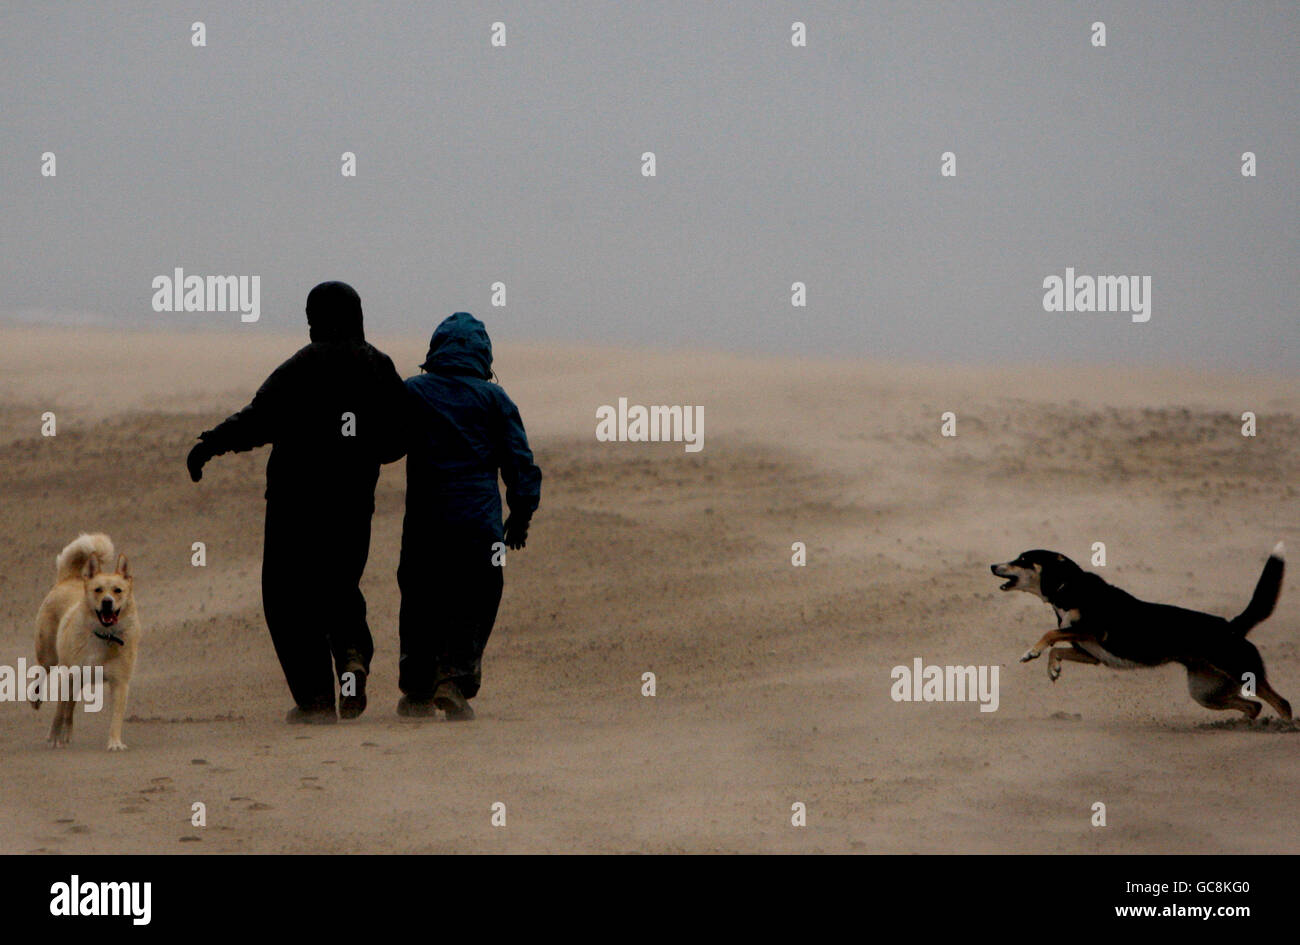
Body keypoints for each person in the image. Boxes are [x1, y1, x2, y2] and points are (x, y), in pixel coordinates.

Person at [185, 281, 408, 724]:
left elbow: (259, 419)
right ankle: (350, 659)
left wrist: (211, 444)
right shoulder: (378, 366)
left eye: (311, 318)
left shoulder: (302, 366)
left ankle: (317, 702)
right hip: (352, 502)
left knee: (288, 599)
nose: (308, 326)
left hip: (294, 503)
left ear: (320, 319)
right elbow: (400, 435)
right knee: (339, 587)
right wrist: (365, 453)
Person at [398, 312, 541, 720]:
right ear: (483, 354)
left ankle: (418, 689)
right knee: (476, 598)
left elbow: (387, 442)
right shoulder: (496, 399)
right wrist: (521, 515)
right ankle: (455, 680)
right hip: (481, 527)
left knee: (421, 599)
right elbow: (521, 464)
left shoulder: (414, 392)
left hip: (426, 524)